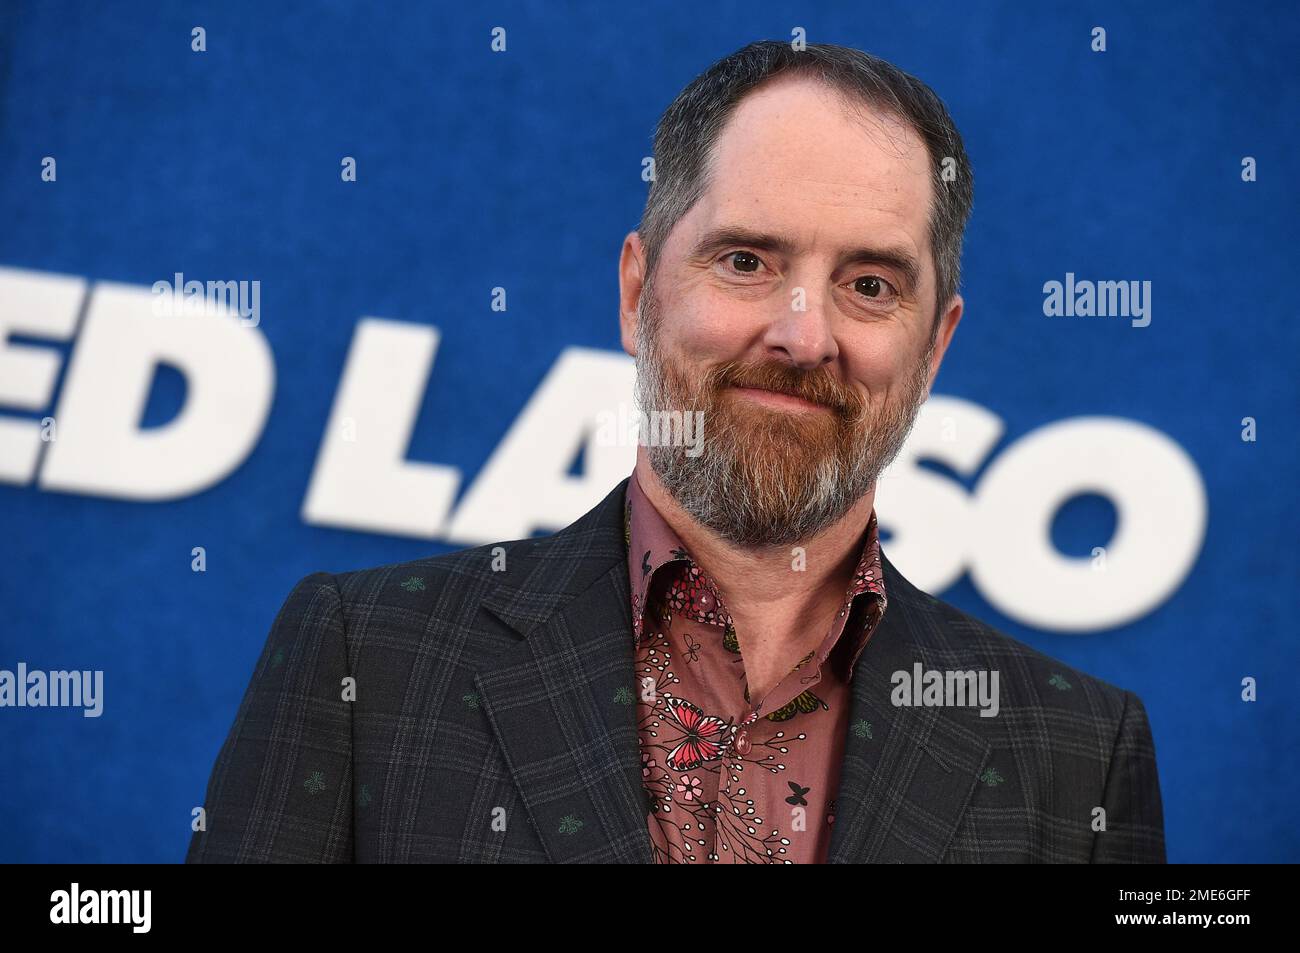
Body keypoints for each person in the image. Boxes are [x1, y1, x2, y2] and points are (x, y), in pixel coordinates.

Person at [188, 40, 1165, 864]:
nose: (804, 335)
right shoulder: (368, 660)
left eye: (869, 284)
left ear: (934, 345)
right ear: (636, 292)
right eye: (746, 261)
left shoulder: (1077, 752)